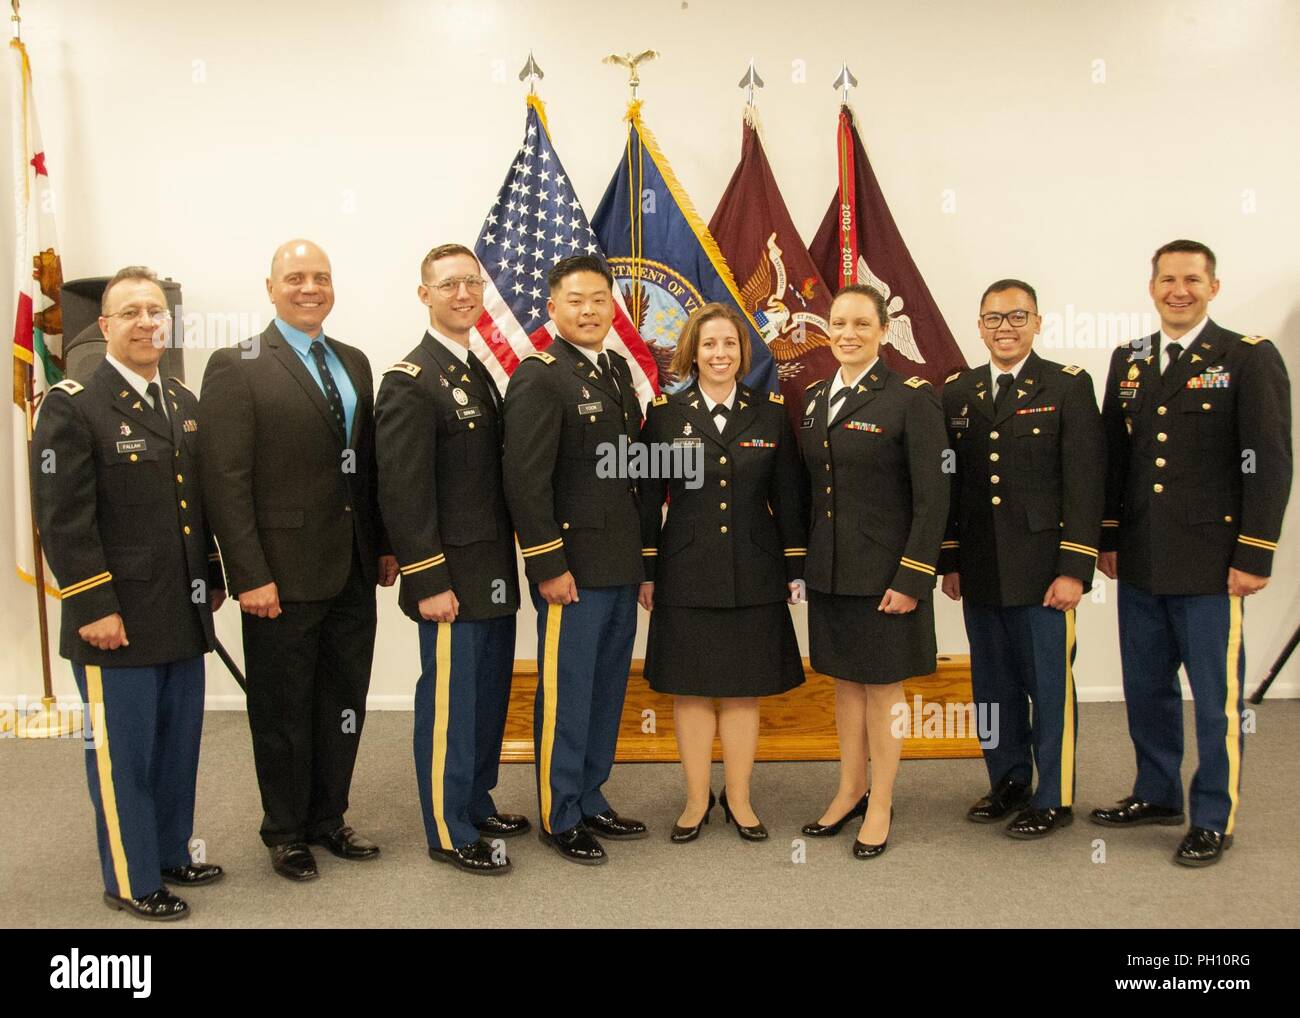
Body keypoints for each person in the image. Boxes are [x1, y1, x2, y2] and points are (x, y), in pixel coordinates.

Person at [32, 266, 226, 920]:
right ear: (105, 325)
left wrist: (216, 578)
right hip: (114, 618)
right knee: (124, 759)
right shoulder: (72, 401)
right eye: (132, 312)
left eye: (156, 311)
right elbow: (62, 518)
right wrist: (92, 605)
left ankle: (171, 852)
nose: (148, 322)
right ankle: (131, 876)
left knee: (177, 747)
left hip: (181, 611)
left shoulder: (181, 399)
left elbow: (196, 507)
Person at [199, 239, 397, 881]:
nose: (309, 287)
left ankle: (328, 818)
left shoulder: (354, 362)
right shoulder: (239, 364)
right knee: (283, 708)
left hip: (351, 568)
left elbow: (365, 469)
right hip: (278, 576)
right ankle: (285, 831)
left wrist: (385, 543)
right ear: (270, 287)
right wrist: (248, 572)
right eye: (295, 277)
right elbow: (225, 479)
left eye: (320, 277)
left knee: (344, 698)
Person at [1093, 239, 1291, 867]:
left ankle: (1213, 814)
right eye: (1168, 279)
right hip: (1144, 558)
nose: (1179, 290)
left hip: (1213, 563)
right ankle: (1157, 792)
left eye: (1192, 280)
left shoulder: (1246, 356)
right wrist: (1110, 537)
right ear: (1151, 287)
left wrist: (1255, 553)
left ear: (1214, 287)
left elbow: (1271, 462)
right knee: (1146, 687)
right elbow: (1115, 459)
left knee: (1214, 697)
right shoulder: (1130, 359)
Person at [374, 243, 526, 875]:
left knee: (487, 697)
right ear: (424, 295)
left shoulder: (475, 370)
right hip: (449, 580)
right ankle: (447, 826)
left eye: (472, 282)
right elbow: (404, 492)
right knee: (449, 701)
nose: (464, 294)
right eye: (449, 285)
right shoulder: (410, 379)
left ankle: (475, 797)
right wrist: (427, 579)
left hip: (491, 569)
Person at [938, 279, 1105, 838]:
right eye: (992, 319)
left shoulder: (1067, 385)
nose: (1003, 328)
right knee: (993, 685)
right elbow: (954, 488)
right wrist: (950, 559)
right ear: (979, 325)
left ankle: (1053, 796)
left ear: (1038, 323)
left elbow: (1086, 483)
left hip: (1043, 570)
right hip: (982, 567)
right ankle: (1007, 779)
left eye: (1016, 317)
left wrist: (1075, 567)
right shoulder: (958, 391)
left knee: (1048, 685)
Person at [638, 303, 807, 843]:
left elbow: (790, 496)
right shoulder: (664, 416)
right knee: (689, 691)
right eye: (709, 344)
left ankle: (738, 799)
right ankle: (694, 802)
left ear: (743, 352)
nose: (719, 354)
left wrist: (794, 566)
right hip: (684, 570)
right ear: (693, 351)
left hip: (755, 570)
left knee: (741, 691)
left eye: (729, 345)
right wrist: (646, 569)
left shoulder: (772, 412)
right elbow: (645, 500)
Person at [502, 254, 648, 865]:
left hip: (618, 562)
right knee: (566, 691)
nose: (589, 310)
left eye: (599, 299)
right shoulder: (539, 375)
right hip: (572, 569)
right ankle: (559, 814)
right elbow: (525, 481)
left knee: (607, 687)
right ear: (552, 308)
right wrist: (546, 565)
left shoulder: (616, 368)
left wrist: (645, 559)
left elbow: (631, 473)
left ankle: (590, 794)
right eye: (576, 300)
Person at [799, 284, 948, 859]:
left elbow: (934, 498)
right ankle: (849, 787)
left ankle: (881, 801)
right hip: (832, 573)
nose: (848, 334)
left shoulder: (911, 397)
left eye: (862, 324)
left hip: (888, 575)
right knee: (845, 683)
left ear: (884, 331)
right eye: (839, 323)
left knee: (885, 689)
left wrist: (912, 577)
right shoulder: (815, 398)